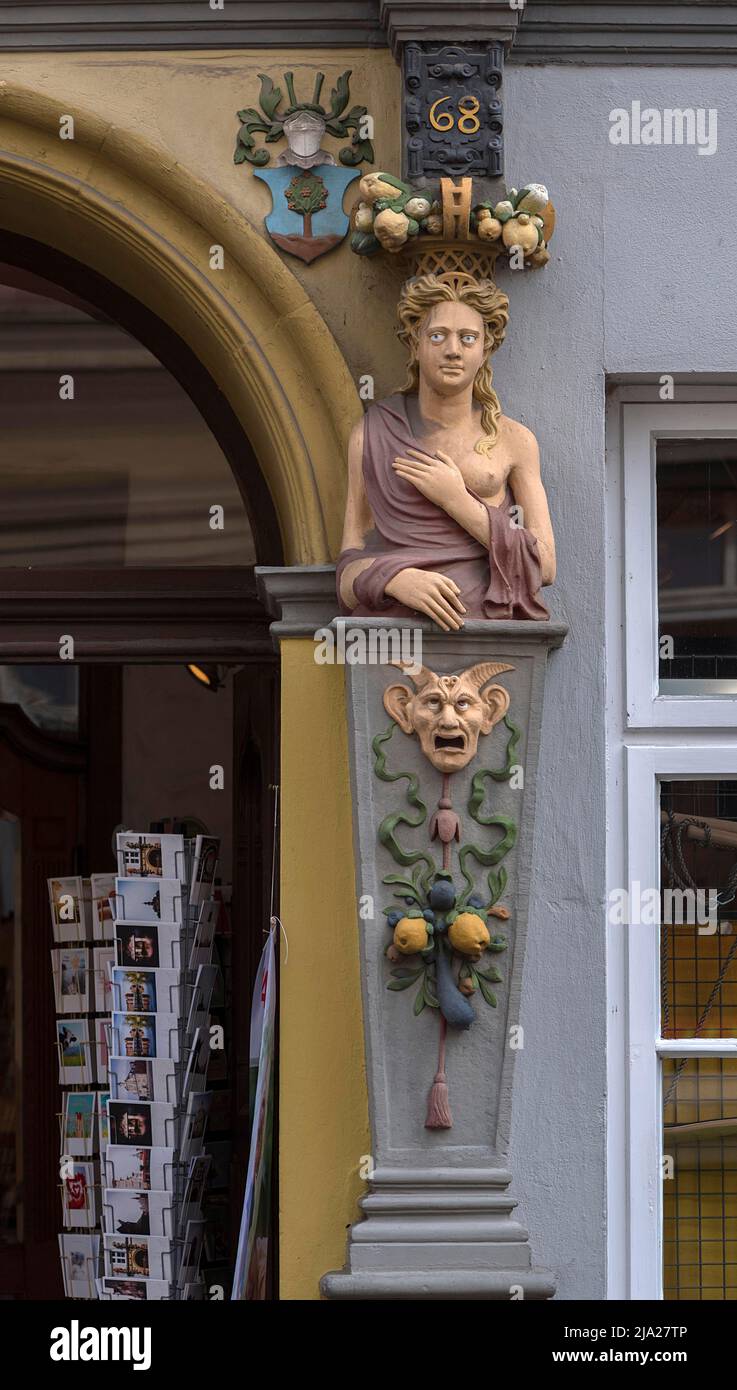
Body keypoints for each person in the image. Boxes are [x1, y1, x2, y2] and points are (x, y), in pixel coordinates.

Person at [337, 273, 555, 631]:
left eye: (468, 338)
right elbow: (347, 570)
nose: (453, 350)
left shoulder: (515, 440)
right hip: (397, 632)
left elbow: (544, 565)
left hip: (487, 628)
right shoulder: (372, 434)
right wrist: (394, 578)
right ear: (415, 344)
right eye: (437, 336)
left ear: (485, 350)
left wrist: (457, 501)